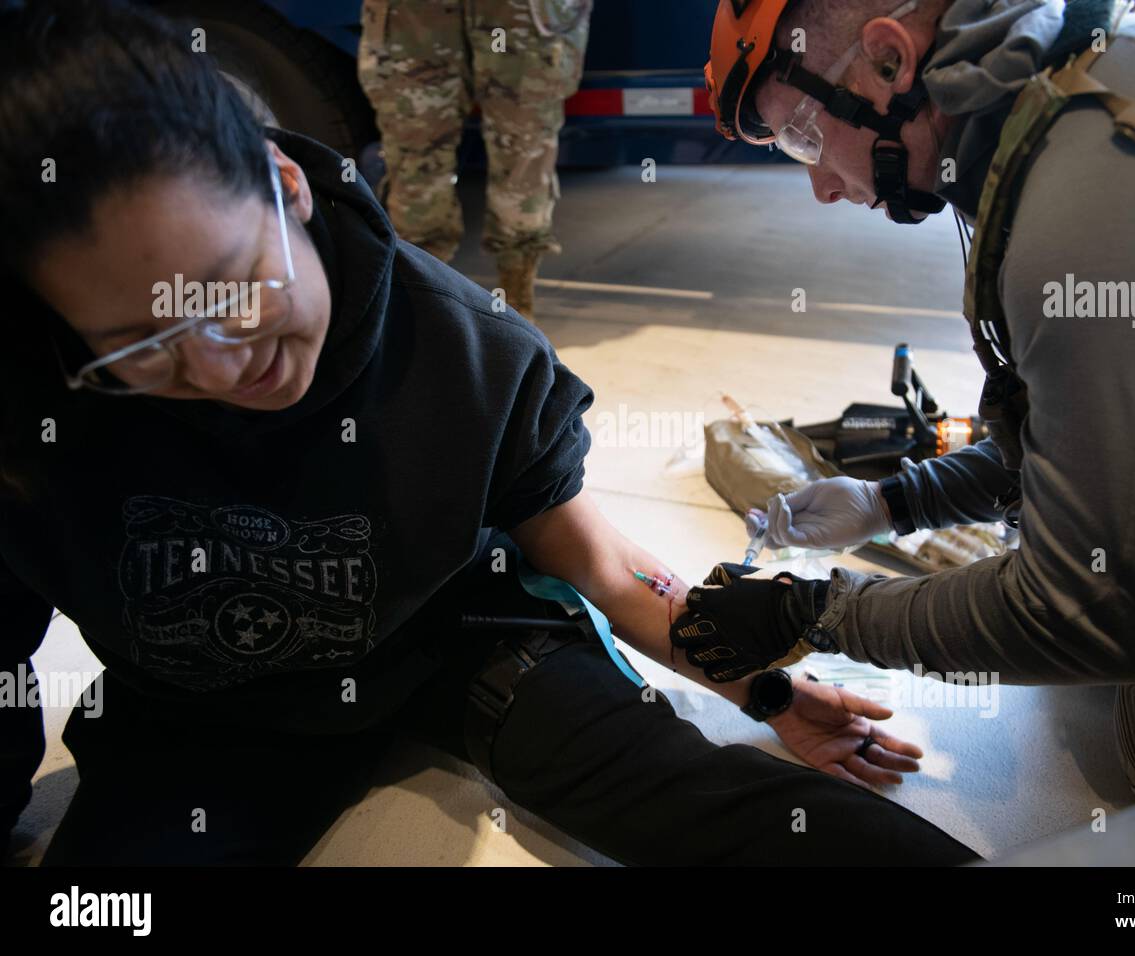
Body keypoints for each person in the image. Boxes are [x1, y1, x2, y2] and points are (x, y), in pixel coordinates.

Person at [0, 0, 977, 866]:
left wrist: (767, 689)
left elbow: (601, 566)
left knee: (692, 795)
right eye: (143, 344)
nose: (219, 363)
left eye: (233, 285)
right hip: (201, 706)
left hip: (461, 642)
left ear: (287, 187)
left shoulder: (464, 350)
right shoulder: (33, 407)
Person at [672, 0, 1135, 800]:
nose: (822, 186)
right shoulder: (1081, 84)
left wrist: (816, 612)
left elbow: (1092, 614)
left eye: (803, 136)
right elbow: (1082, 438)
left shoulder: (1090, 205)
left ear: (890, 60)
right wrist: (890, 501)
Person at [356, 0, 592, 320]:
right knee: (415, 169)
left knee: (523, 161)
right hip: (414, 12)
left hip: (522, 11)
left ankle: (516, 320)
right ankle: (424, 315)